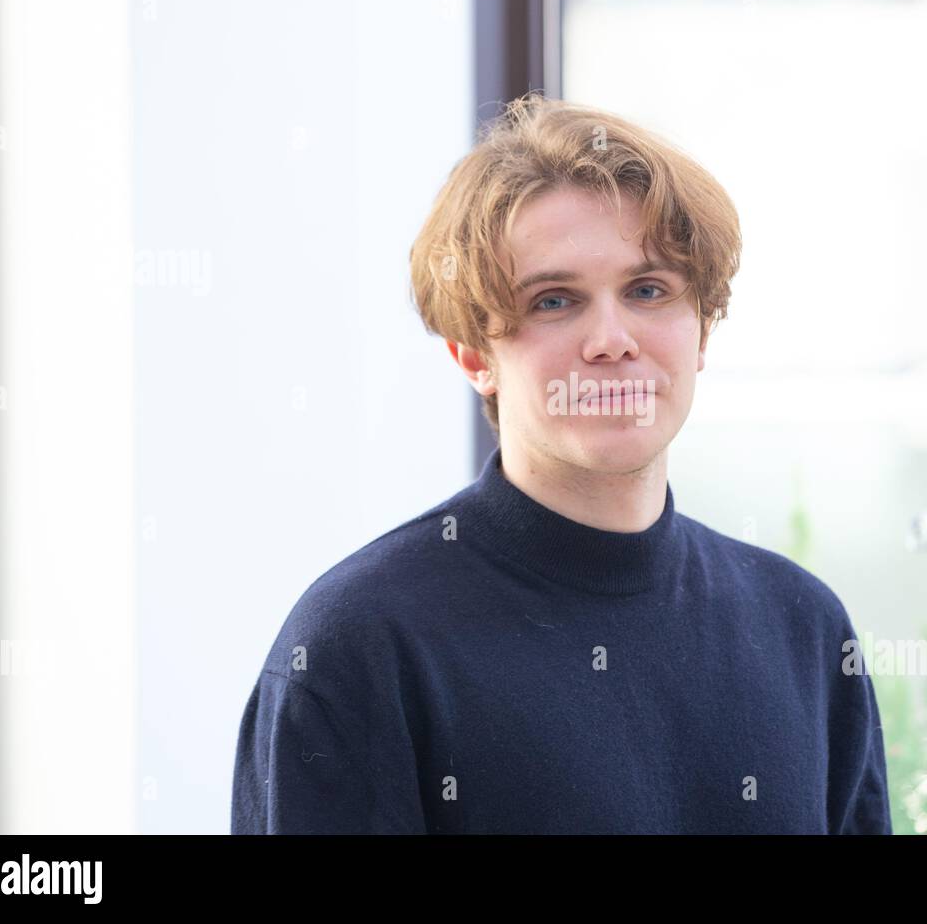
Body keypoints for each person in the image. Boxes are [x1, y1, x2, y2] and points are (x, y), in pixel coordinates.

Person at [230, 93, 893, 834]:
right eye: (553, 301)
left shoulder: (803, 627)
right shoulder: (360, 647)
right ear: (473, 355)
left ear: (702, 330)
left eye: (648, 291)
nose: (611, 339)